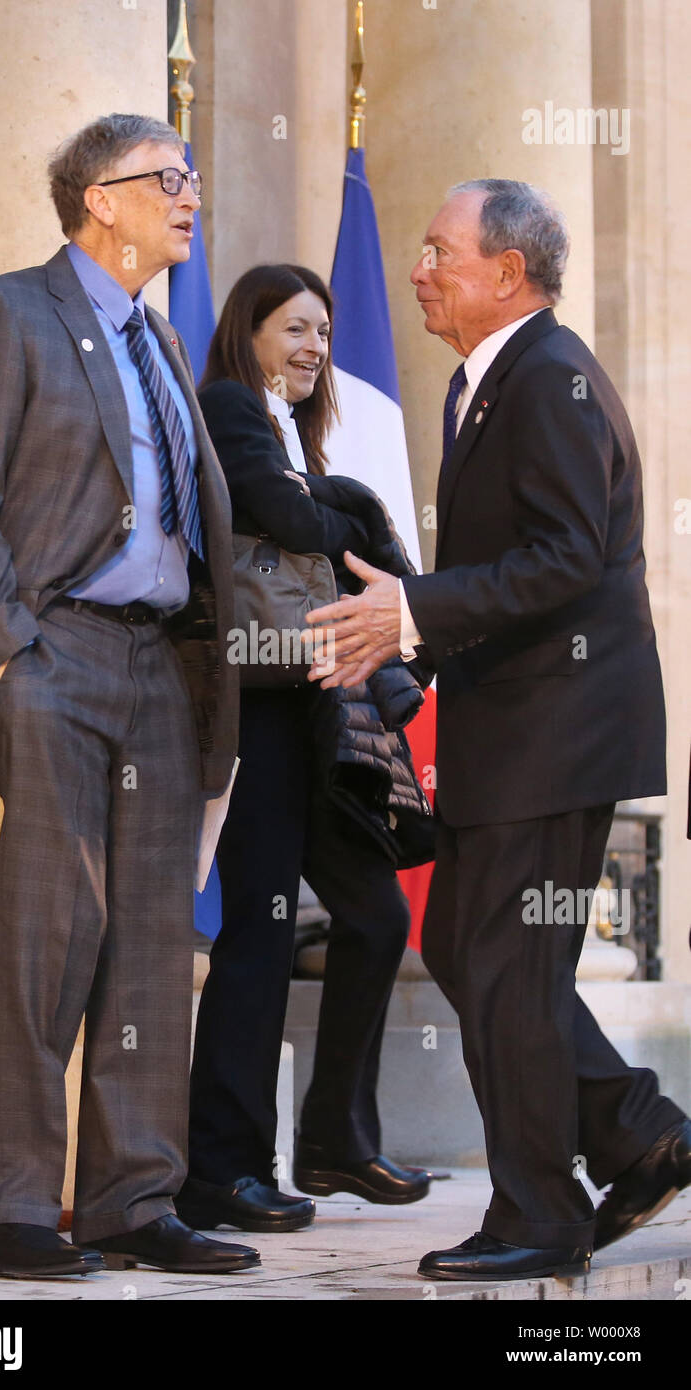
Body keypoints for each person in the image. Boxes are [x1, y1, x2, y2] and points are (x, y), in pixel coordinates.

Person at [306, 180, 691, 1281]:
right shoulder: (487, 383)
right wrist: (412, 616)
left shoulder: (552, 378)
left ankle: (537, 1216)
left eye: (438, 252)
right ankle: (630, 1129)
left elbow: (569, 555)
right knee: (467, 946)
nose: (418, 270)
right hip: (514, 723)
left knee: (508, 966)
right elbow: (520, 566)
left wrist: (415, 610)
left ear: (506, 274)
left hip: (555, 731)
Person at [0, 113, 260, 1278]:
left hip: (162, 665)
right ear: (97, 199)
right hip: (53, 653)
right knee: (50, 931)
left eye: (193, 175)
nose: (190, 194)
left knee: (154, 942)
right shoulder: (6, 312)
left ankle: (132, 1201)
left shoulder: (161, 340)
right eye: (168, 178)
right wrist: (10, 646)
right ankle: (5, 1207)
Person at [175, 263, 434, 1235]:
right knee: (260, 931)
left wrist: (338, 507)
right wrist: (358, 515)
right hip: (264, 702)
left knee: (371, 917)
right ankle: (222, 1167)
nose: (315, 345)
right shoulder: (233, 411)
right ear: (247, 331)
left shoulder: (297, 435)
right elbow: (289, 522)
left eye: (324, 330)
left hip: (321, 705)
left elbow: (305, 518)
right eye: (294, 327)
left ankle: (334, 1138)